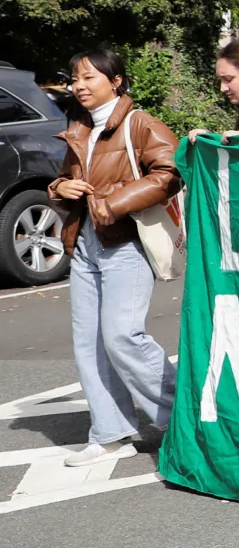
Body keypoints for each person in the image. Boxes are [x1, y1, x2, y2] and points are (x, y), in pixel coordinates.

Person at [49, 50, 182, 467]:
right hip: (86, 244)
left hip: (126, 241)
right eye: (75, 79)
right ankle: (110, 433)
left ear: (117, 81)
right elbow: (69, 178)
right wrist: (60, 188)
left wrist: (118, 202)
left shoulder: (139, 123)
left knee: (122, 335)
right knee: (89, 342)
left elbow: (170, 172)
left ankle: (183, 416)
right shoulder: (79, 130)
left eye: (89, 77)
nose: (79, 86)